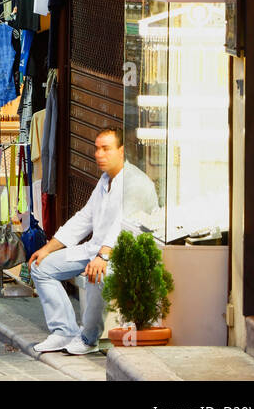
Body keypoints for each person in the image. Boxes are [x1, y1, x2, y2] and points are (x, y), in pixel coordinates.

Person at [29, 127, 158, 356]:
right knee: (41, 267)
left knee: (97, 273)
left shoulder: (135, 183)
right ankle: (64, 331)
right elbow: (84, 218)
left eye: (106, 149)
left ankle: (89, 338)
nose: (99, 154)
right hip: (95, 248)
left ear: (122, 151)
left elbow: (122, 226)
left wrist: (103, 256)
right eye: (97, 149)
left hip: (121, 253)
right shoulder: (105, 179)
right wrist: (47, 248)